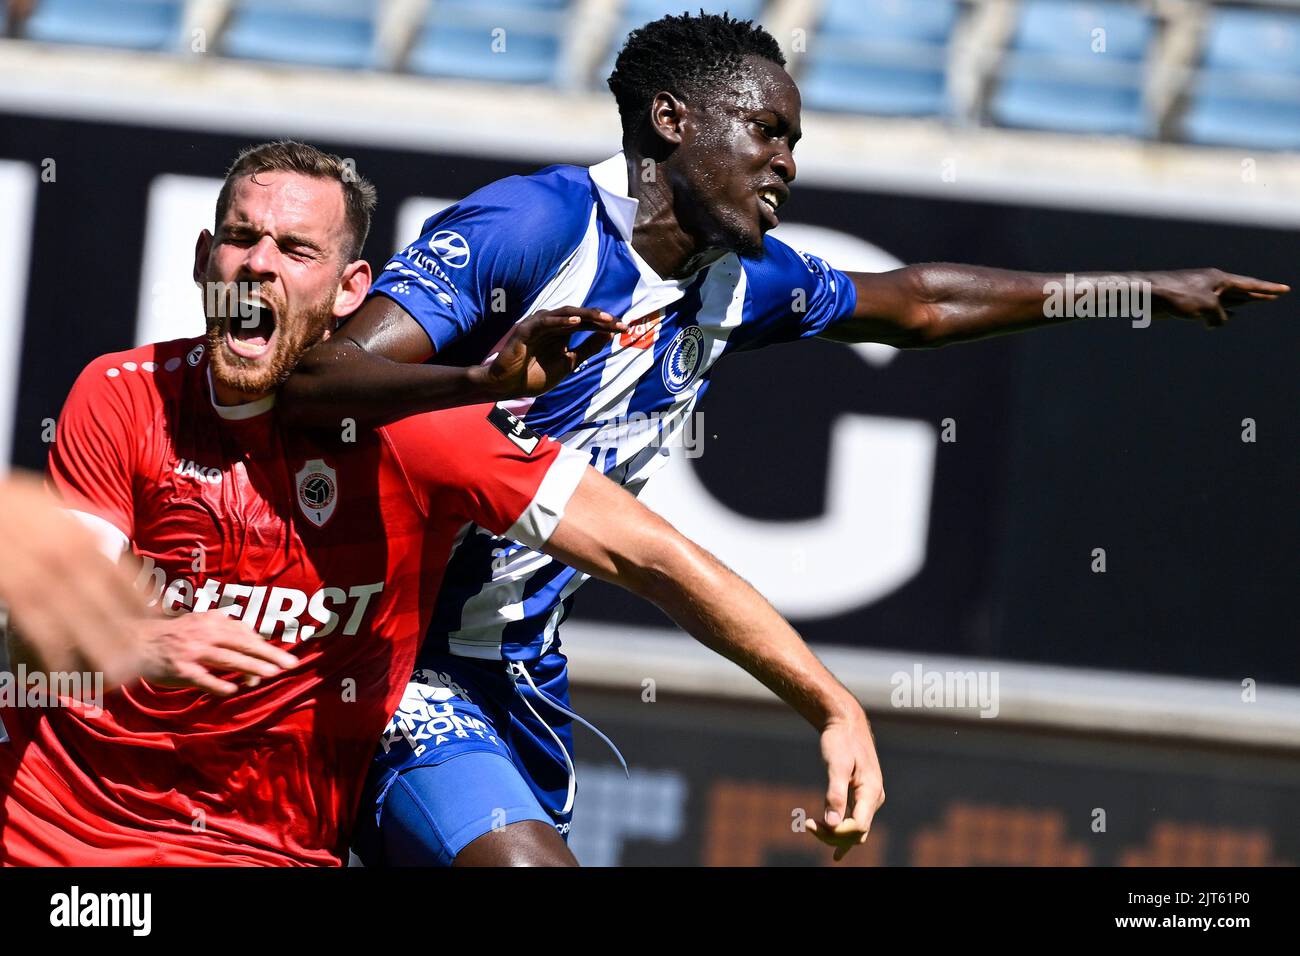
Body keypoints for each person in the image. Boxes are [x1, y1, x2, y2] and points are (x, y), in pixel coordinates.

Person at [275, 12, 1289, 866]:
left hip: (514, 673)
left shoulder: (739, 281)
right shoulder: (535, 227)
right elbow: (315, 380)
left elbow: (919, 304)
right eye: (767, 131)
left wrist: (1137, 291)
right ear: (671, 121)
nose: (785, 164)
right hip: (383, 646)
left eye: (793, 143)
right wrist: (476, 383)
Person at [0, 140, 881, 866]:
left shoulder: (421, 429)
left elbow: (646, 556)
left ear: (352, 291)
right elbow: (39, 630)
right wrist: (139, 637)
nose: (259, 264)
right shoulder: (122, 395)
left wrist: (831, 704)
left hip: (259, 851)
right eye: (240, 239)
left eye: (296, 251)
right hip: (47, 840)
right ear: (205, 260)